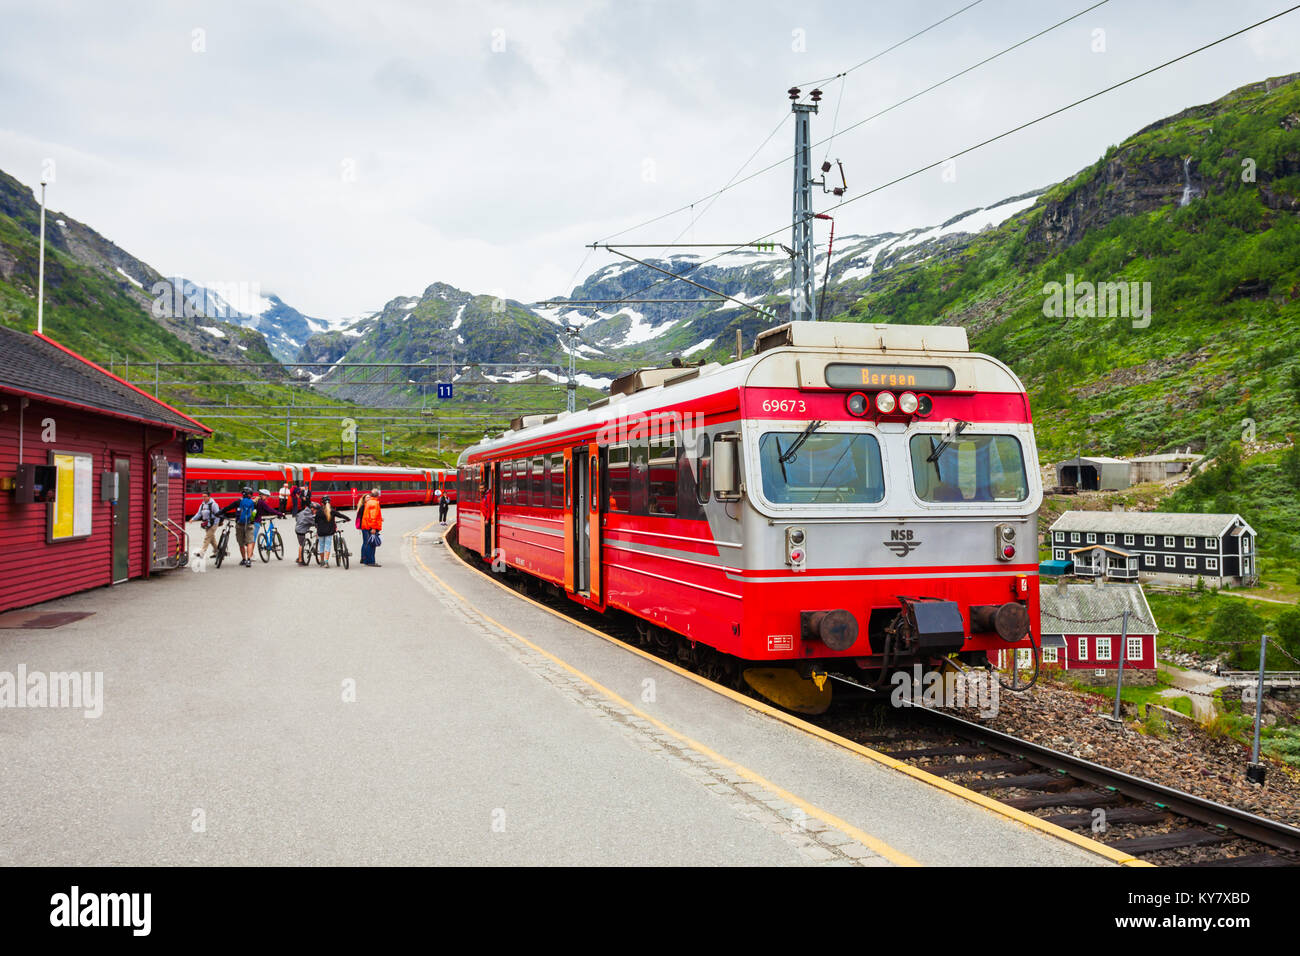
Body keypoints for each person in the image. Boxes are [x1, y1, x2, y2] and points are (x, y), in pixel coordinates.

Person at [313, 497, 346, 567]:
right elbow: (340, 515)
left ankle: (322, 561)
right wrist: (347, 518)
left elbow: (315, 521)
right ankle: (326, 562)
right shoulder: (332, 510)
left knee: (321, 546)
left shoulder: (319, 511)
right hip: (329, 532)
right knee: (327, 546)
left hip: (321, 532)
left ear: (322, 503)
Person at [191, 491, 222, 561]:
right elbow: (199, 514)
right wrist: (192, 519)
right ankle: (218, 552)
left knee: (207, 538)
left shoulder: (214, 504)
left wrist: (215, 524)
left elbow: (218, 514)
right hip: (207, 523)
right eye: (203, 496)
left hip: (214, 523)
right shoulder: (202, 505)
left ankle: (202, 552)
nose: (203, 498)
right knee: (211, 539)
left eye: (205, 496)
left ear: (209, 497)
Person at [233, 486, 258, 567]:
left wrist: (220, 513)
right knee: (250, 542)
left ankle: (243, 559)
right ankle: (249, 560)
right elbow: (258, 511)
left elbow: (228, 508)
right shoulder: (253, 502)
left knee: (241, 543)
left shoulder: (238, 501)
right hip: (249, 524)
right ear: (250, 494)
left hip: (240, 524)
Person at [359, 487, 383, 566]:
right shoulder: (374, 503)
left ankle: (366, 561)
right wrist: (373, 528)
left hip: (366, 526)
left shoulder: (369, 502)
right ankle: (371, 561)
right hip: (370, 527)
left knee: (368, 543)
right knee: (372, 545)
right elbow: (372, 516)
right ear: (378, 495)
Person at [295, 501, 316, 565]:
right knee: (302, 545)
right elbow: (313, 522)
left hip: (298, 528)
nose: (315, 510)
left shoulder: (303, 511)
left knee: (301, 544)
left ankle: (299, 557)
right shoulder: (309, 515)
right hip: (301, 530)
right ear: (312, 508)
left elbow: (296, 517)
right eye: (315, 509)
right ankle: (300, 560)